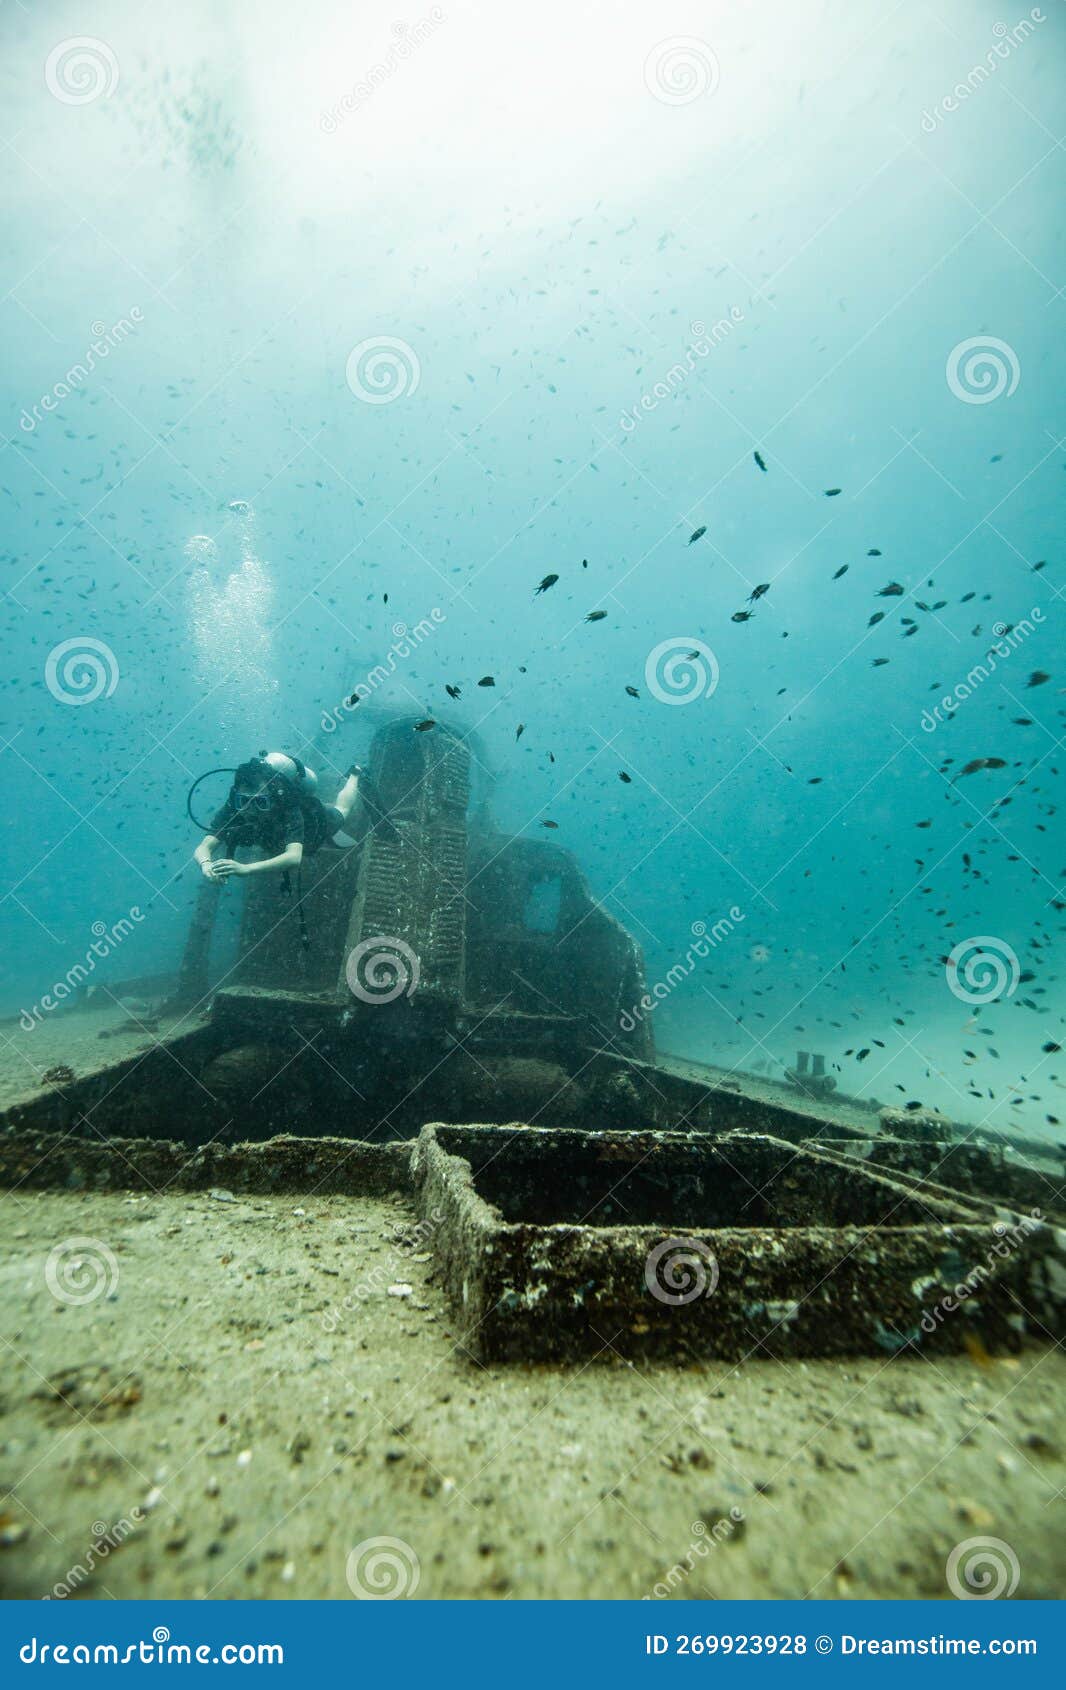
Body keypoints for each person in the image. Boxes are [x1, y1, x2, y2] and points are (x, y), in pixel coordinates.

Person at [194, 752, 361, 883]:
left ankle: (355, 774)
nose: (251, 809)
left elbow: (294, 857)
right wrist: (206, 864)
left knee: (342, 809)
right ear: (237, 796)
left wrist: (246, 868)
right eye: (244, 801)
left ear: (272, 797)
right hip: (272, 838)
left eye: (260, 802)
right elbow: (204, 847)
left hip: (314, 825)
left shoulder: (287, 804)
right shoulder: (233, 806)